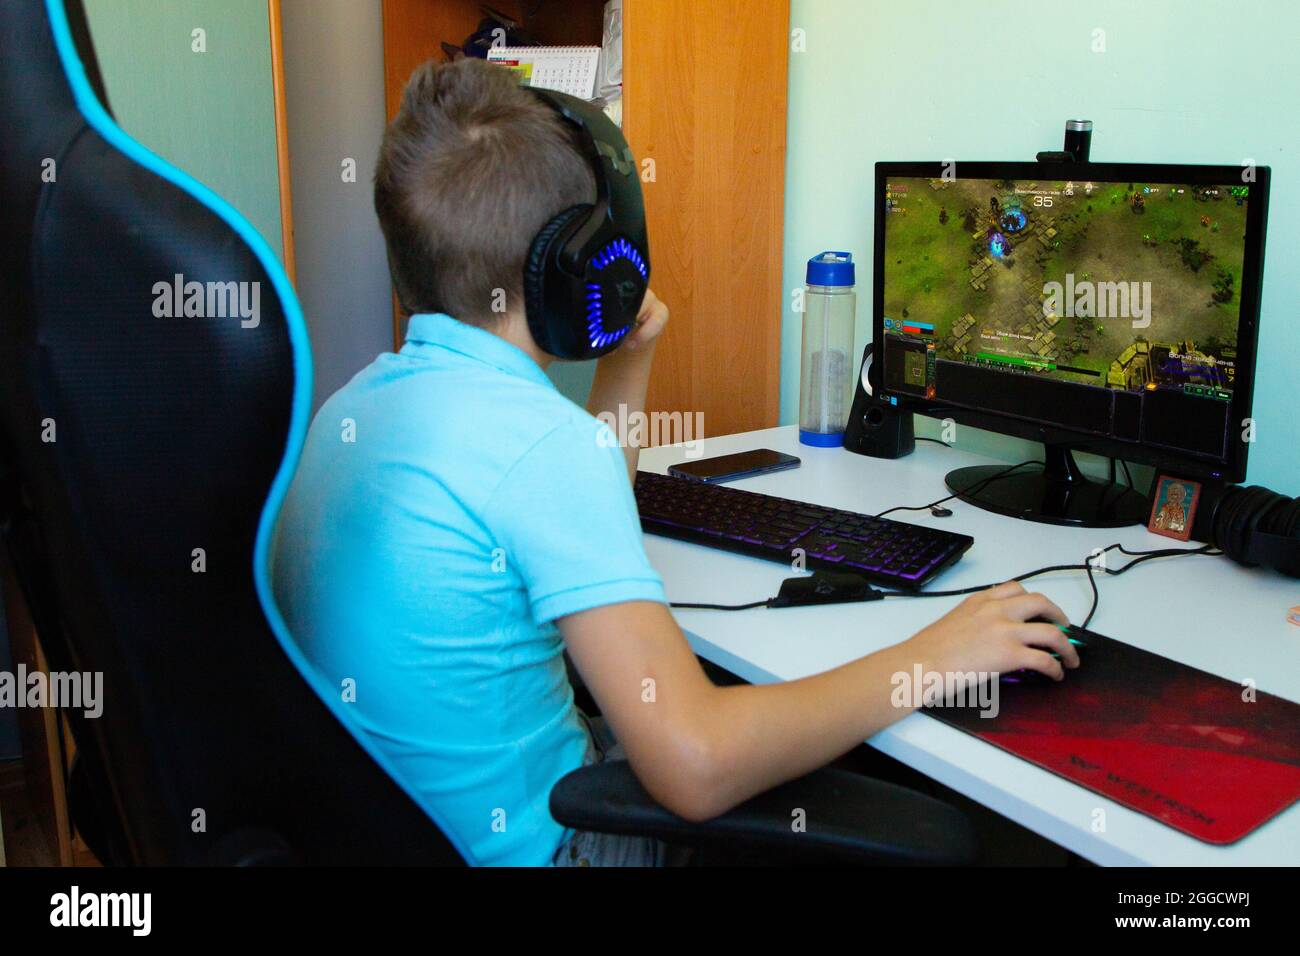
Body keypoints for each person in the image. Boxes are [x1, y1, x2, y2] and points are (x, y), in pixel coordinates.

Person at [270, 57, 1077, 866]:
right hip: (551, 848)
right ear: (581, 260)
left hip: (405, 830)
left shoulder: (355, 406)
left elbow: (575, 504)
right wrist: (934, 655)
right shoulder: (538, 445)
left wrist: (629, 355)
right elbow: (695, 768)